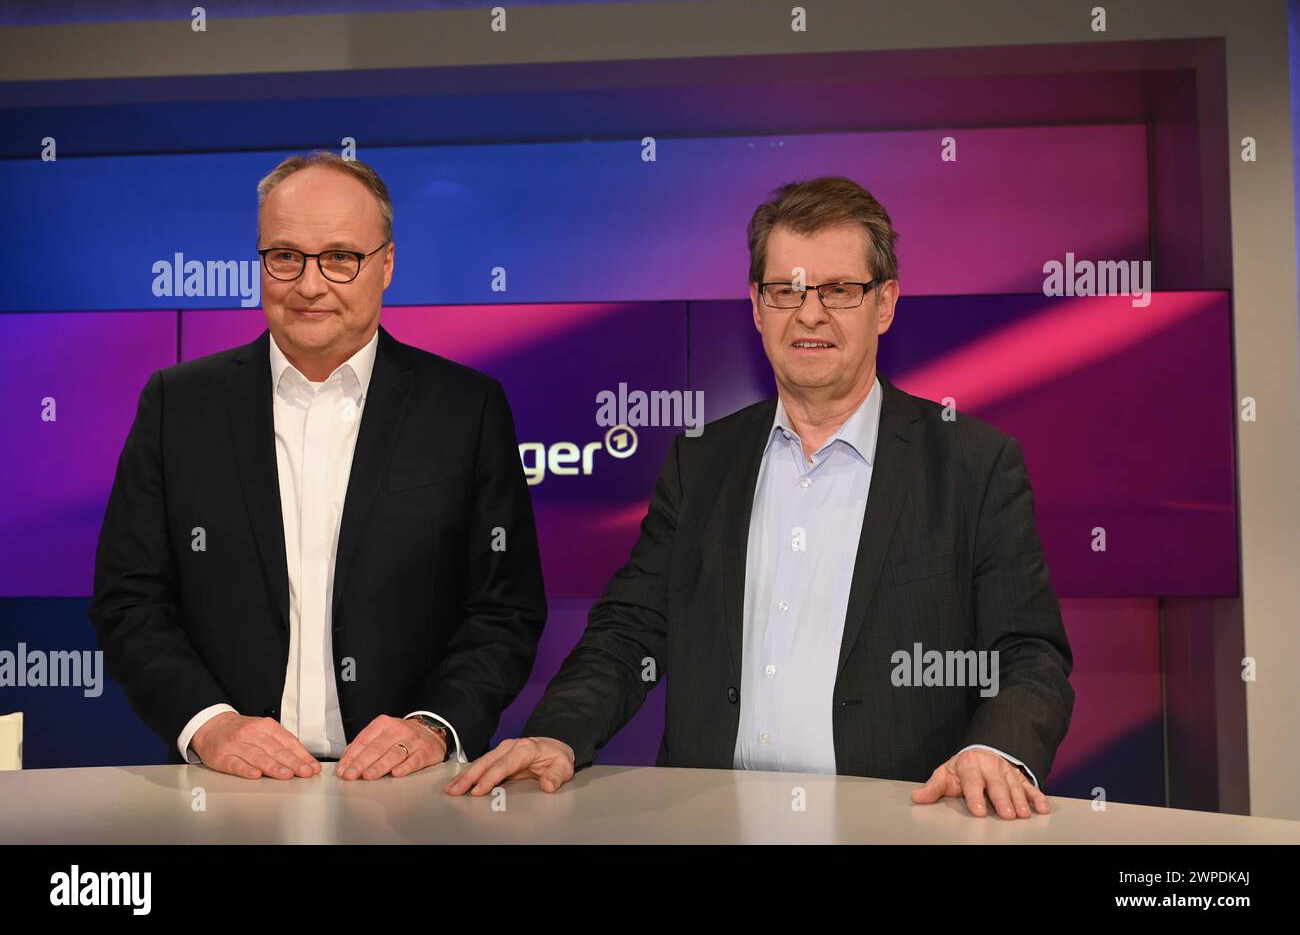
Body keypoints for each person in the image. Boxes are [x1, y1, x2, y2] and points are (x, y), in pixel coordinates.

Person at [446, 176, 1073, 819]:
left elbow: (1027, 652)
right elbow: (632, 629)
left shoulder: (974, 463)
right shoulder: (702, 461)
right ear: (756, 305)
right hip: (708, 819)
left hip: (901, 823)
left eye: (839, 290)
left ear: (884, 303)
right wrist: (558, 733)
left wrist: (998, 749)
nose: (809, 313)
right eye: (786, 290)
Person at [90, 151, 546, 781]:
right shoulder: (177, 405)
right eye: (285, 256)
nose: (309, 284)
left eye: (340, 257)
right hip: (224, 788)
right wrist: (210, 724)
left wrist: (435, 726)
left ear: (386, 264)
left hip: (407, 795)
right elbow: (129, 600)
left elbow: (505, 608)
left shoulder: (466, 409)